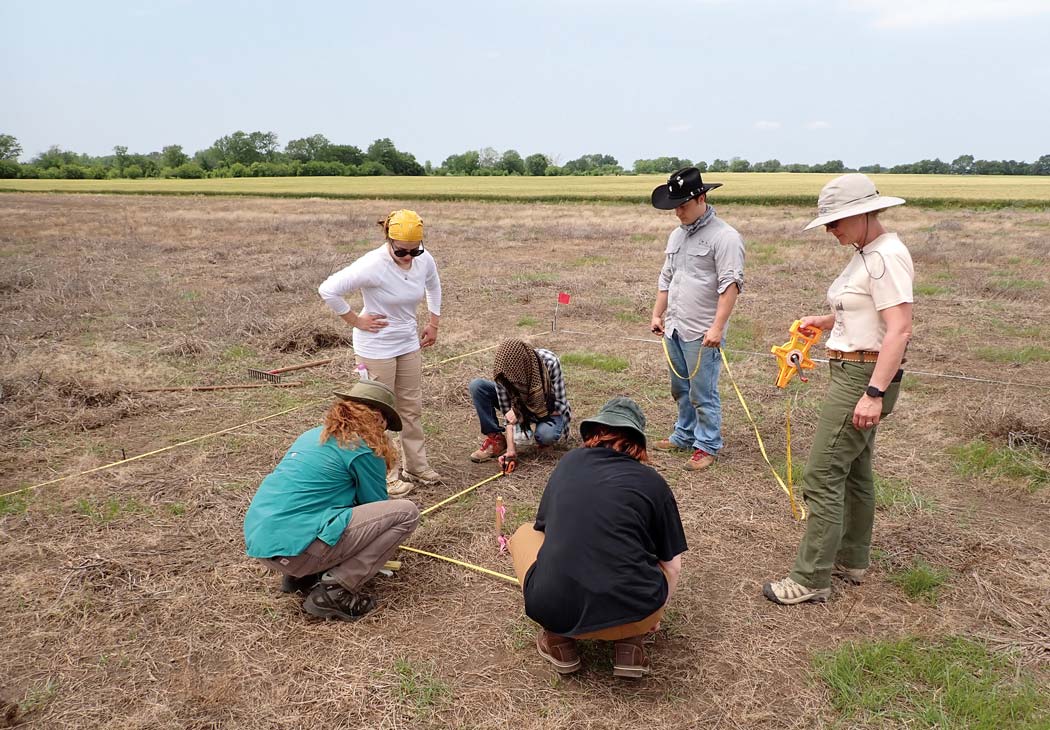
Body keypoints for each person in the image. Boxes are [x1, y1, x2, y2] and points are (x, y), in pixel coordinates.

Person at [764, 173, 913, 605]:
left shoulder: (885, 256)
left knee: (822, 472)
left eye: (838, 221)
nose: (832, 230)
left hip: (862, 377)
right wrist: (826, 322)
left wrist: (874, 393)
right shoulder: (866, 251)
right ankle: (852, 558)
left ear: (866, 212)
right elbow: (870, 313)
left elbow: (899, 329)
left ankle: (810, 578)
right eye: (829, 222)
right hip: (854, 370)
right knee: (856, 470)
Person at [508, 397, 687, 678]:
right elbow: (673, 566)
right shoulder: (653, 483)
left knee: (523, 534)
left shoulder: (569, 463)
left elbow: (544, 528)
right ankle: (630, 643)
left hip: (556, 609)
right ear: (638, 442)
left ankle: (559, 640)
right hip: (637, 614)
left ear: (594, 433)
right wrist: (655, 614)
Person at [244, 381, 420, 620]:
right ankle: (336, 589)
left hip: (263, 543)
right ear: (378, 417)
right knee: (405, 513)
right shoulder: (363, 447)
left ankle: (300, 576)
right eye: (386, 426)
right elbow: (377, 506)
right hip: (298, 549)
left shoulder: (313, 435)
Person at [318, 209, 442, 497]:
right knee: (378, 414)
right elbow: (328, 289)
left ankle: (417, 466)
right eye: (402, 251)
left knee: (411, 407)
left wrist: (433, 323)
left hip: (408, 342)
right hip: (376, 347)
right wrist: (356, 320)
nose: (410, 257)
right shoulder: (373, 264)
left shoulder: (423, 259)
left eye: (415, 250)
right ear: (389, 239)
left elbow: (433, 285)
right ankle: (385, 475)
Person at [649, 167, 745, 472]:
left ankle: (707, 445)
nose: (678, 212)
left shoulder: (725, 237)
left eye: (683, 205)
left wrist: (717, 328)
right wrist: (657, 313)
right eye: (675, 206)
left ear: (701, 198)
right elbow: (667, 278)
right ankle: (684, 434)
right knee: (680, 388)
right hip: (674, 327)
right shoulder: (676, 235)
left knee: (703, 392)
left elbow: (730, 286)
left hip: (701, 332)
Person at [468, 339, 571, 465]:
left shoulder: (549, 362)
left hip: (549, 411)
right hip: (520, 409)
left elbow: (560, 405)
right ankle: (496, 440)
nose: (511, 380)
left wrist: (520, 410)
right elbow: (508, 413)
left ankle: (543, 442)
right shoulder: (502, 373)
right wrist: (511, 451)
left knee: (546, 435)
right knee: (478, 386)